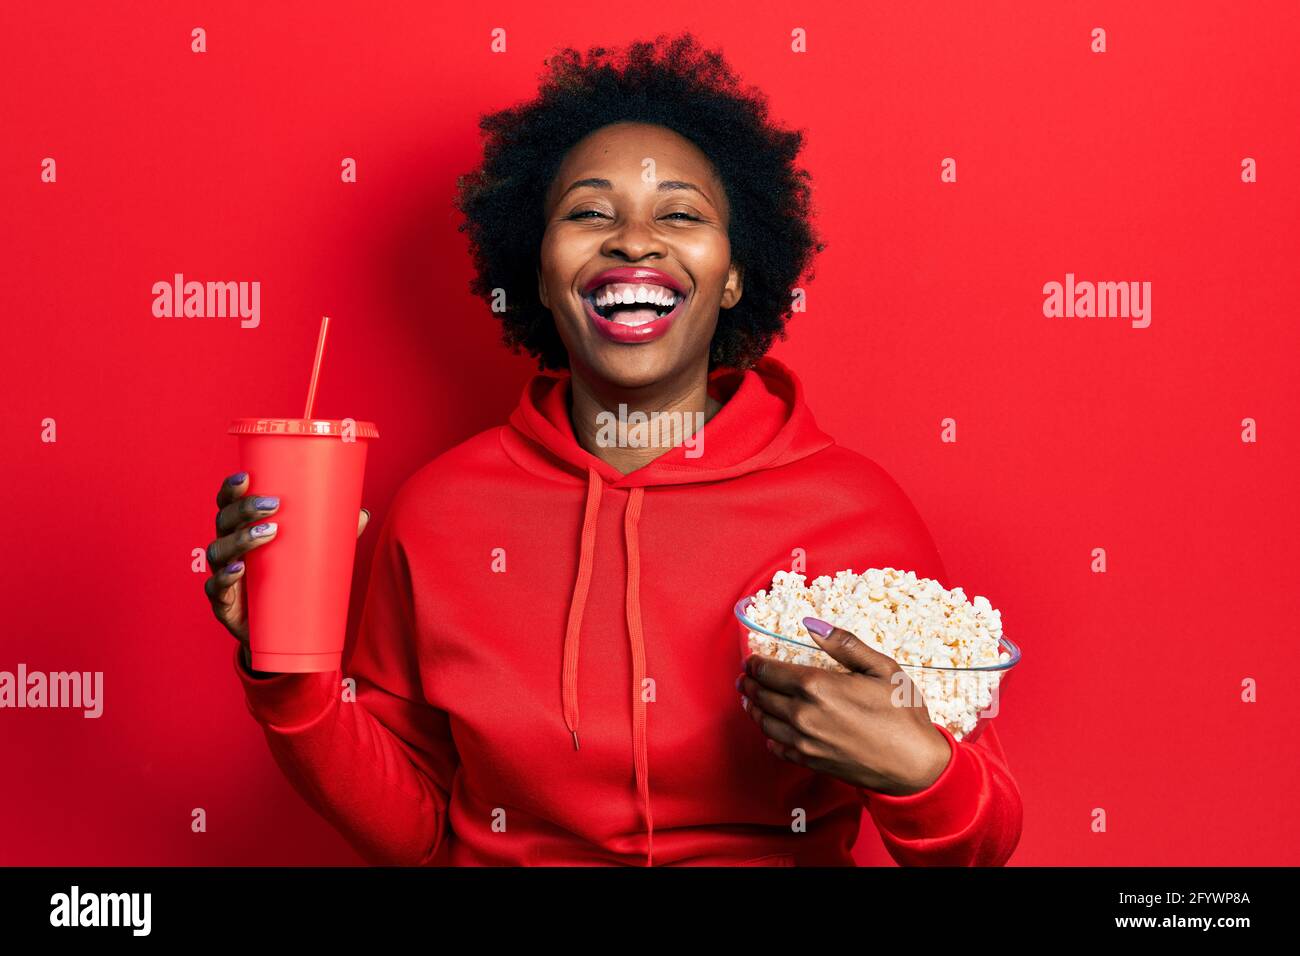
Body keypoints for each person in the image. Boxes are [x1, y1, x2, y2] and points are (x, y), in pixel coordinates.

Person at [203, 32, 1022, 866]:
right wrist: (287, 668)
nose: (635, 241)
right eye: (590, 213)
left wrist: (920, 774)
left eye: (681, 214)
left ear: (736, 275)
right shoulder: (437, 511)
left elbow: (979, 842)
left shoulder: (855, 511)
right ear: (539, 268)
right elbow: (414, 831)